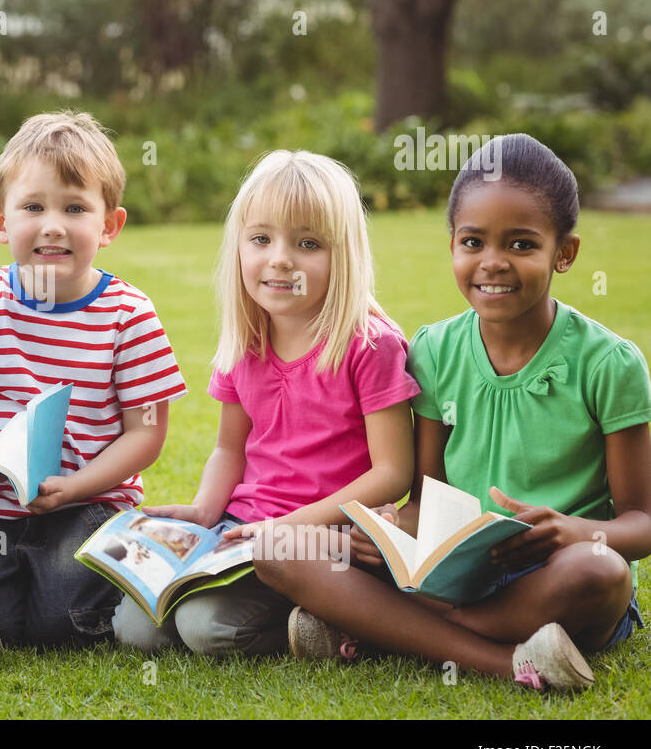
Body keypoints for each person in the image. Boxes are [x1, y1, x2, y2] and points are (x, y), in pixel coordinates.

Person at [258, 134, 651, 690]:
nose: (493, 263)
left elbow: (642, 523)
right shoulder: (435, 351)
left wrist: (570, 531)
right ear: (452, 246)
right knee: (281, 551)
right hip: (460, 574)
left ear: (564, 253)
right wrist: (392, 532)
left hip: (554, 577)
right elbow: (424, 498)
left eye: (521, 245)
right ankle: (507, 659)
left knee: (601, 570)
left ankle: (395, 632)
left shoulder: (609, 364)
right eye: (473, 241)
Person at [114, 150, 418, 656]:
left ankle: (343, 625)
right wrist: (204, 511)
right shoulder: (245, 343)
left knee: (208, 630)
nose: (280, 259)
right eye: (261, 239)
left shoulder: (369, 345)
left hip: (321, 540)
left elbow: (393, 472)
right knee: (137, 628)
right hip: (241, 530)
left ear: (343, 255)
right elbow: (229, 451)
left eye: (308, 243)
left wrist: (282, 528)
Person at [0, 112, 187, 647]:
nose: (53, 225)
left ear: (109, 225)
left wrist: (75, 488)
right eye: (33, 207)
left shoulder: (127, 314)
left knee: (59, 625)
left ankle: (137, 565)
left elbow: (146, 433)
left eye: (75, 208)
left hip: (90, 502)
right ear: (0, 221)